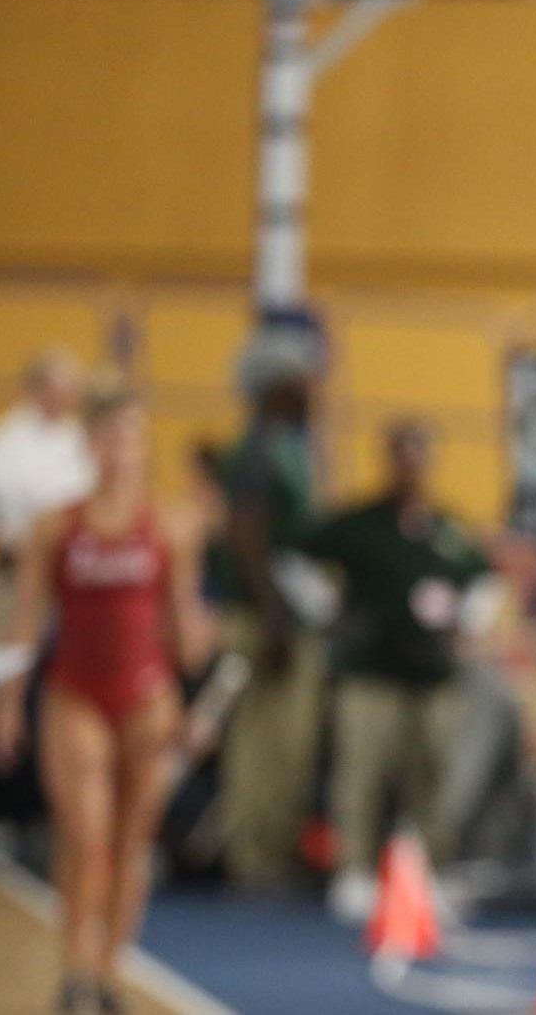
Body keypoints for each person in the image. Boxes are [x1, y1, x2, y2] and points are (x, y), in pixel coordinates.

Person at [0, 380, 211, 1015]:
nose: (122, 450)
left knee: (133, 841)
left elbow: (181, 625)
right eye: (110, 436)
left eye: (132, 437)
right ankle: (74, 969)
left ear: (143, 447)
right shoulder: (56, 525)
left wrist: (193, 694)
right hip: (75, 695)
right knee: (87, 838)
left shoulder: (170, 522)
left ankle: (111, 968)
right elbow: (27, 620)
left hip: (148, 696)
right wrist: (7, 704)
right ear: (90, 444)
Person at [299, 418, 492, 922]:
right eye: (402, 454)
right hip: (371, 672)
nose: (411, 466)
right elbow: (296, 555)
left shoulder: (446, 528)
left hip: (431, 674)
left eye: (419, 455)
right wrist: (326, 612)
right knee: (361, 773)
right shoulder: (359, 524)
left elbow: (483, 581)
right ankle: (354, 871)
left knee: (432, 775)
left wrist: (468, 626)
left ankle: (428, 873)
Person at [216, 331, 325, 890]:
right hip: (265, 614)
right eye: (299, 379)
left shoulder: (286, 444)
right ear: (274, 387)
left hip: (282, 609)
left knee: (288, 739)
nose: (311, 389)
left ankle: (270, 850)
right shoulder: (260, 448)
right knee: (266, 738)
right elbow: (246, 534)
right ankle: (254, 856)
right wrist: (273, 613)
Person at [0, 347, 95, 561]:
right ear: (36, 387)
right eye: (62, 386)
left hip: (74, 558)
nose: (69, 393)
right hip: (16, 555)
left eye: (73, 386)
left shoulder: (81, 435)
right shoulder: (5, 438)